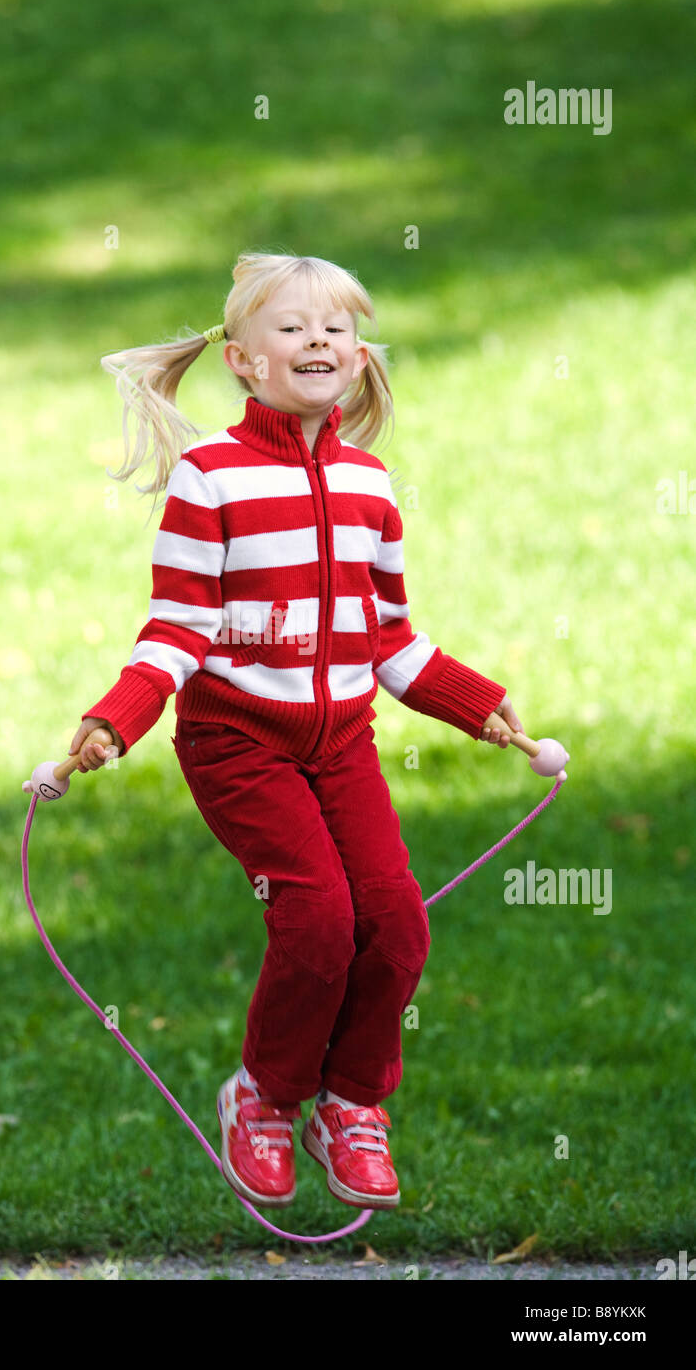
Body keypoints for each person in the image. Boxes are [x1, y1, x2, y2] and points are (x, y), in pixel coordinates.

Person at [69, 252, 523, 1211]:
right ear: (241, 360)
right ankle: (266, 1099)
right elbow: (177, 627)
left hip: (342, 743)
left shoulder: (371, 485)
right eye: (292, 328)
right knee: (317, 920)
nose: (318, 340)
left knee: (395, 922)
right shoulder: (211, 478)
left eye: (335, 329)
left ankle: (351, 1105)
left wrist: (475, 702)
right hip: (239, 744)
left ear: (358, 359)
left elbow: (389, 637)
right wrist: (116, 721)